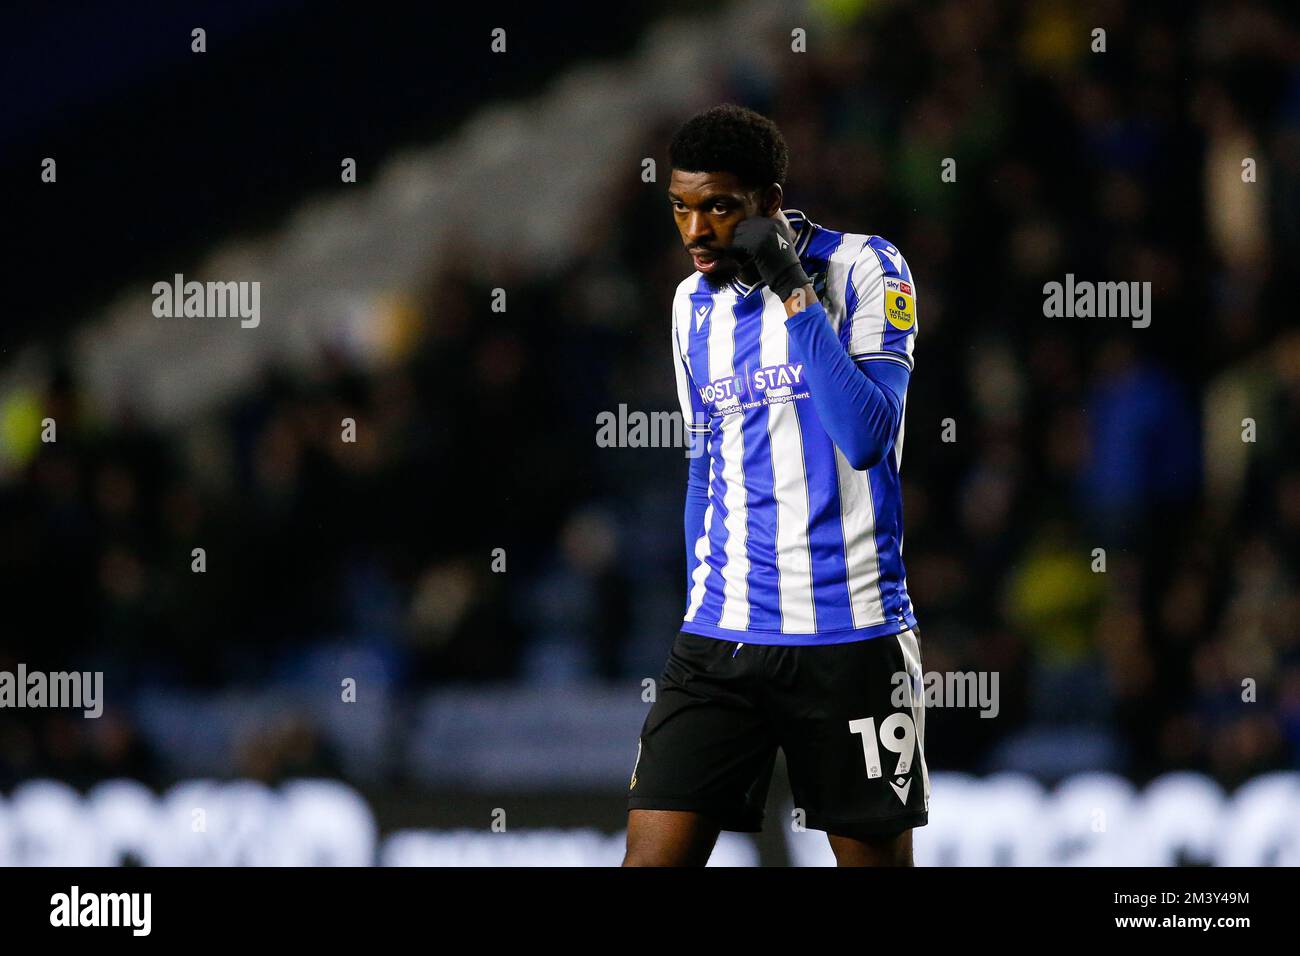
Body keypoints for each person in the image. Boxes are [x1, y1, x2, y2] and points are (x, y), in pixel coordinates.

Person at [623, 104, 928, 866]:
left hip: (850, 638)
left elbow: (864, 438)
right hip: (721, 642)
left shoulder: (866, 267)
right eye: (681, 208)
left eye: (719, 207)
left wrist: (792, 287)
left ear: (768, 201)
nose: (695, 231)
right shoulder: (689, 306)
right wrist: (702, 596)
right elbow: (705, 462)